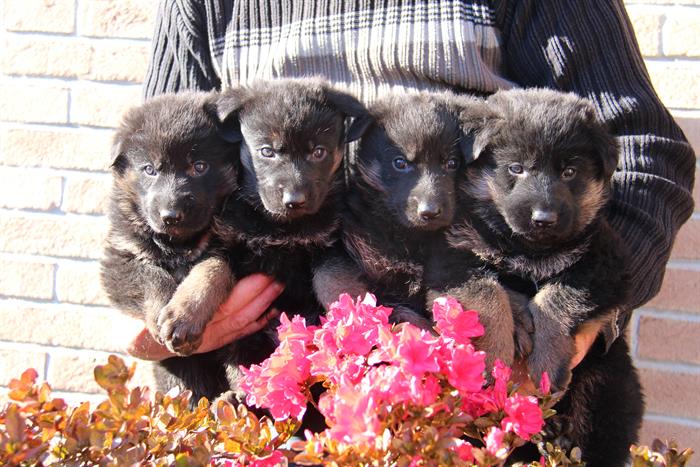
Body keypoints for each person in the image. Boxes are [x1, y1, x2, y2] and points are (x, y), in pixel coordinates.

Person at [127, 0, 694, 386]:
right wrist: (166, 315)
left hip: (492, 354)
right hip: (262, 359)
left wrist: (575, 314)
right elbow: (158, 154)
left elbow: (646, 155)